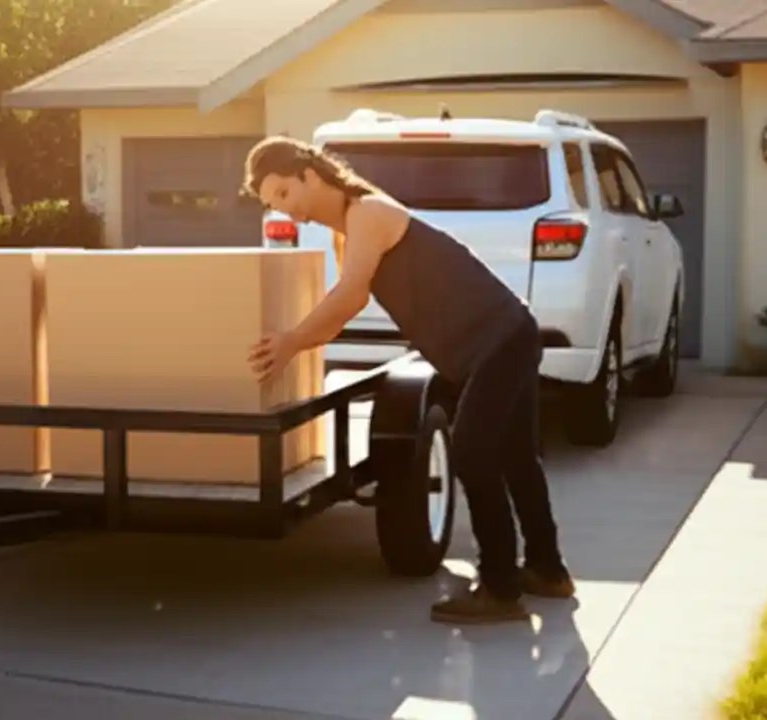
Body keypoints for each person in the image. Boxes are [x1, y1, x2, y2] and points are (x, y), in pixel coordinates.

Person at [242, 135, 575, 625]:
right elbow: (343, 304)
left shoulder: (368, 213)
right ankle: (548, 570)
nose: (288, 213)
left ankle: (501, 588)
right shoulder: (350, 230)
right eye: (274, 205)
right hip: (503, 338)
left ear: (309, 175)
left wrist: (291, 341)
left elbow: (352, 297)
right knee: (515, 458)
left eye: (285, 196)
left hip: (497, 340)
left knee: (473, 454)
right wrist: (299, 342)